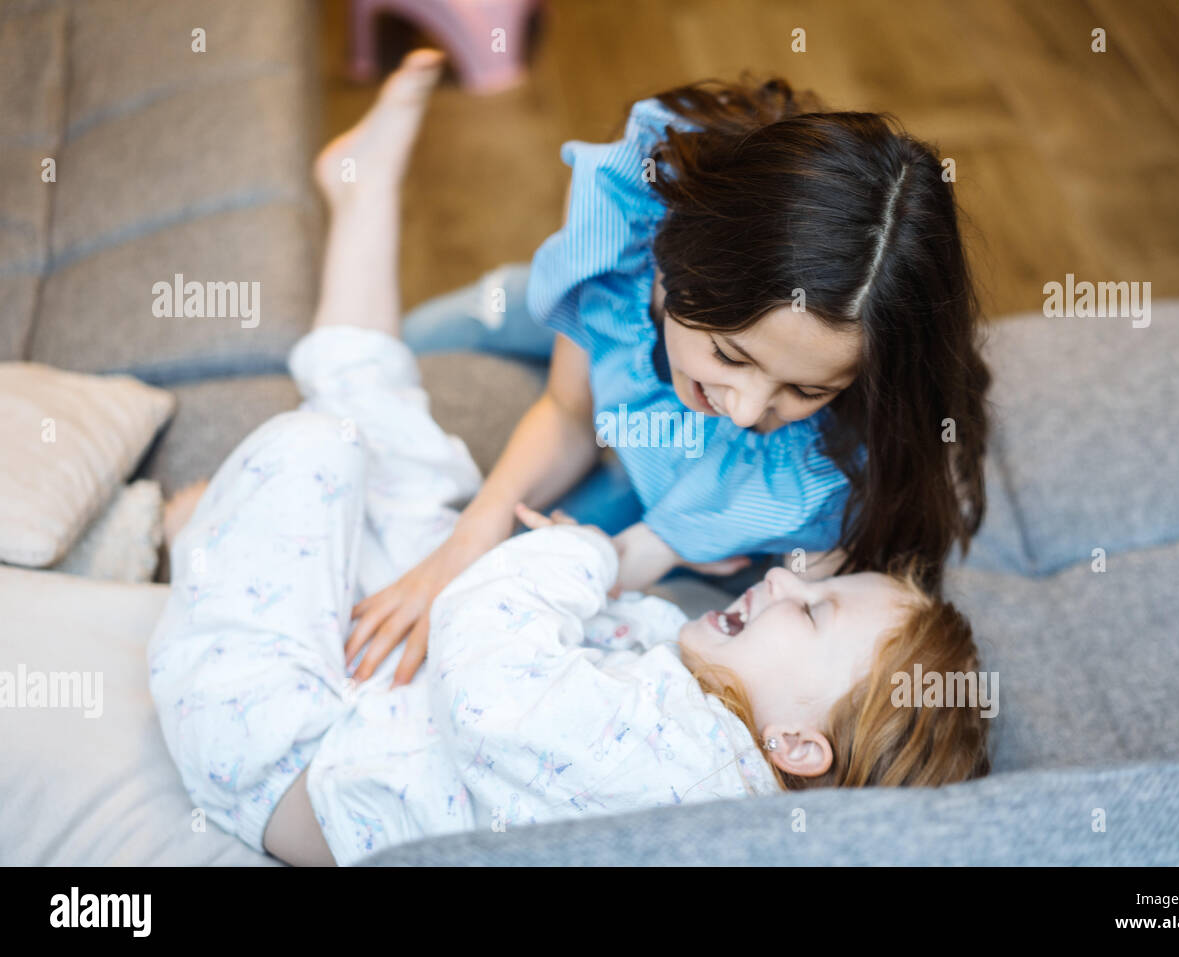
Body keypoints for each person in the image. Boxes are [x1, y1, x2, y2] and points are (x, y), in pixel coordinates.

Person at [149, 51, 990, 867]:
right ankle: (377, 221)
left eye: (803, 389)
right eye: (731, 358)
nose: (744, 411)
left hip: (303, 738)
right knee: (444, 368)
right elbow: (567, 416)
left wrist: (586, 553)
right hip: (381, 719)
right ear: (673, 261)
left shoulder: (812, 491)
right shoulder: (633, 251)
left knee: (334, 443)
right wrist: (486, 551)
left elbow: (518, 645)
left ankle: (199, 533)